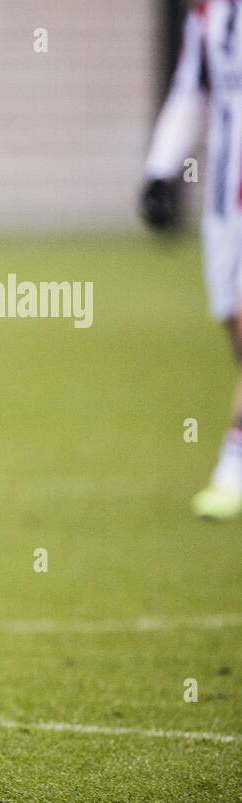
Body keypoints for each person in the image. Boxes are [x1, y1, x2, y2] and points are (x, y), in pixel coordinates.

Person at [141, 0, 242, 519]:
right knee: (234, 327)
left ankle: (233, 466)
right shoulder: (209, 13)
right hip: (225, 202)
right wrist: (161, 169)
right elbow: (191, 89)